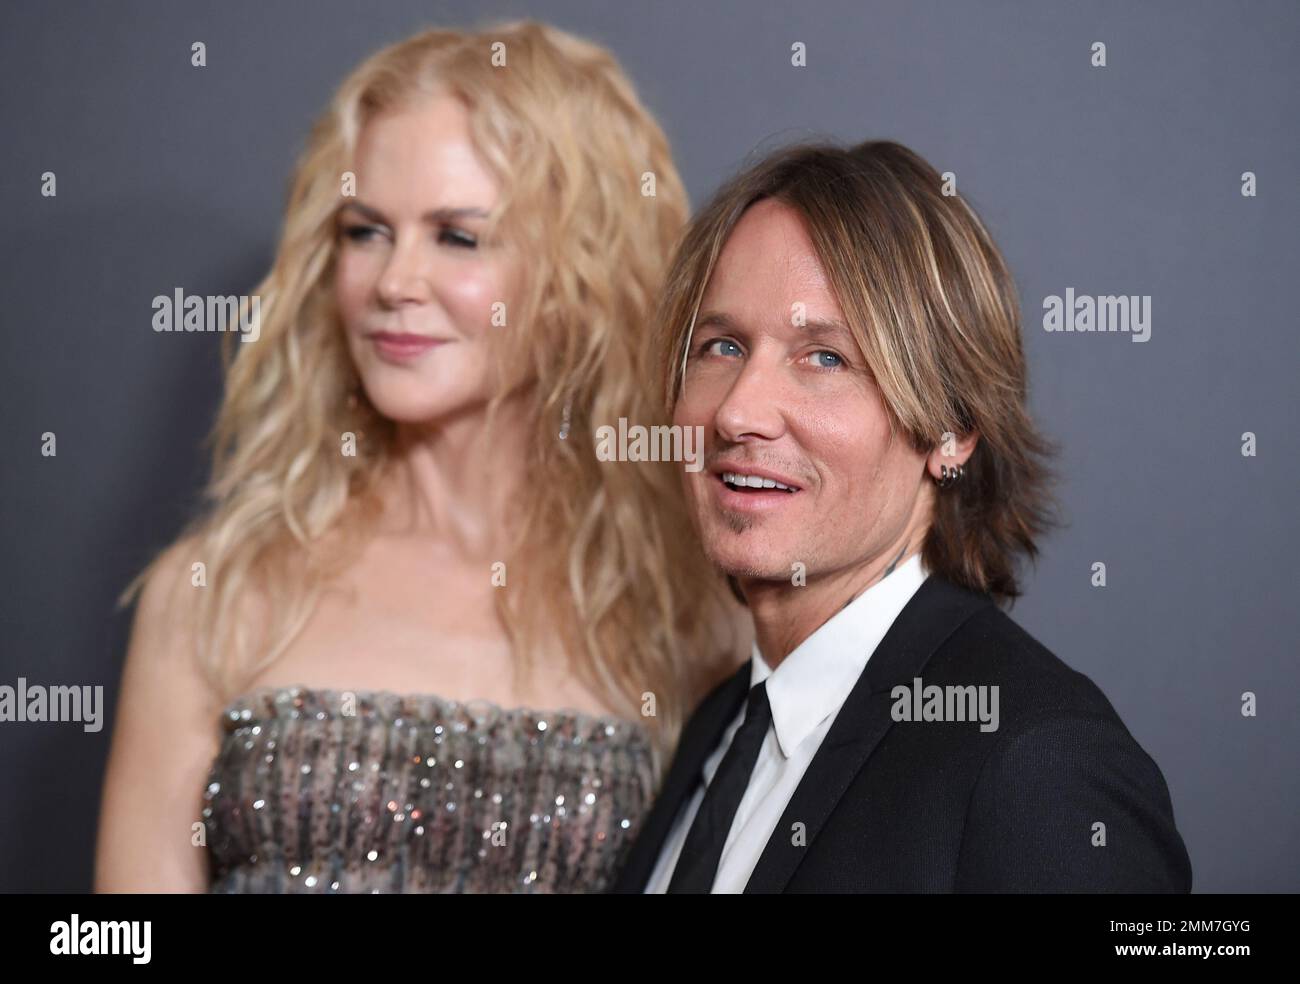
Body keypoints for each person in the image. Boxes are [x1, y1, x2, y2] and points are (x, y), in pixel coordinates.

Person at [96, 20, 741, 894]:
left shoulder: (686, 614)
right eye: (365, 231)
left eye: (457, 236)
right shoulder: (216, 594)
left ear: (577, 278)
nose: (395, 282)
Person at [614, 140, 1192, 893]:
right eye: (721, 345)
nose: (737, 411)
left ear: (951, 430)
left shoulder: (1035, 760)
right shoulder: (719, 728)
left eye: (824, 358)